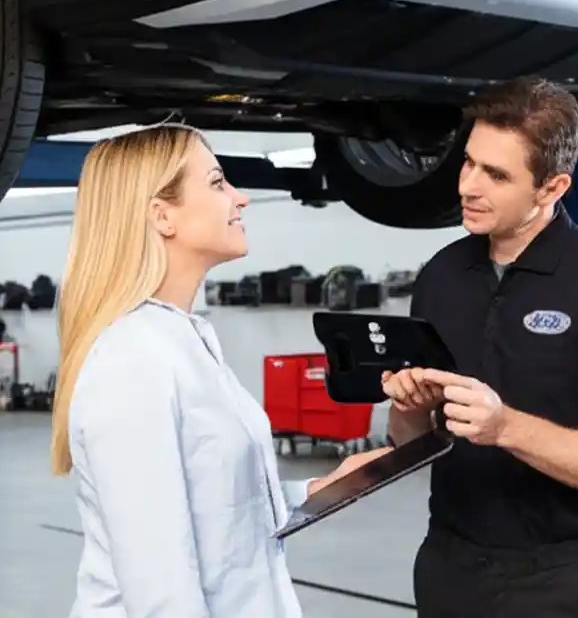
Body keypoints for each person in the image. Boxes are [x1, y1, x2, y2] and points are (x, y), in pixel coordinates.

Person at [48, 125, 390, 618]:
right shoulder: (132, 361)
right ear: (162, 215)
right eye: (216, 183)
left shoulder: (181, 338)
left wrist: (321, 488)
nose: (240, 198)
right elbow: (160, 590)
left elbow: (218, 509)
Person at [383, 77, 578, 617]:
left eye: (496, 175)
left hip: (559, 579)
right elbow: (410, 445)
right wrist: (409, 407)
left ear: (552, 188)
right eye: (469, 163)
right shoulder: (441, 276)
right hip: (449, 564)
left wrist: (505, 427)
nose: (469, 186)